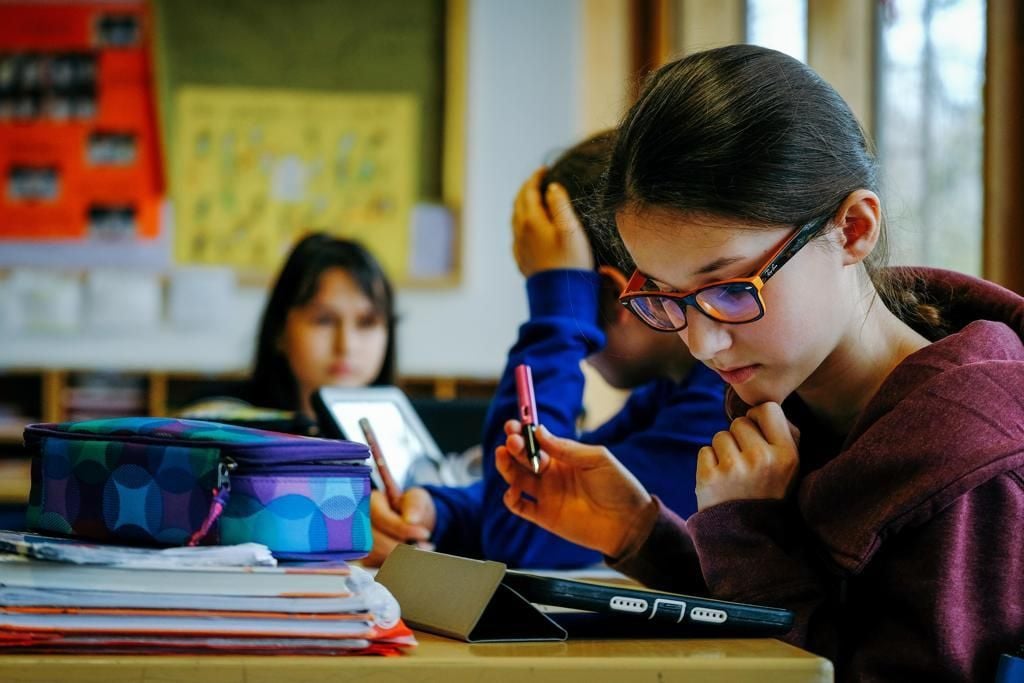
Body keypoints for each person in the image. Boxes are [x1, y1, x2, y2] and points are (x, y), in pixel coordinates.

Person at [494, 45, 1024, 682]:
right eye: (664, 298)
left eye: (729, 288)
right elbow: (810, 611)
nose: (702, 344)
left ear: (853, 229)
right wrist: (642, 533)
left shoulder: (967, 457)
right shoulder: (791, 401)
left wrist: (746, 529)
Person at [366, 131, 728, 568]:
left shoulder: (720, 411)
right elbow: (557, 496)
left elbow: (525, 535)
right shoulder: (677, 391)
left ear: (618, 299)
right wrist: (439, 511)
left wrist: (556, 312)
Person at [183, 232, 397, 433]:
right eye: (324, 320)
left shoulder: (403, 438)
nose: (346, 345)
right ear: (279, 331)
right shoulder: (217, 425)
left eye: (367, 323)